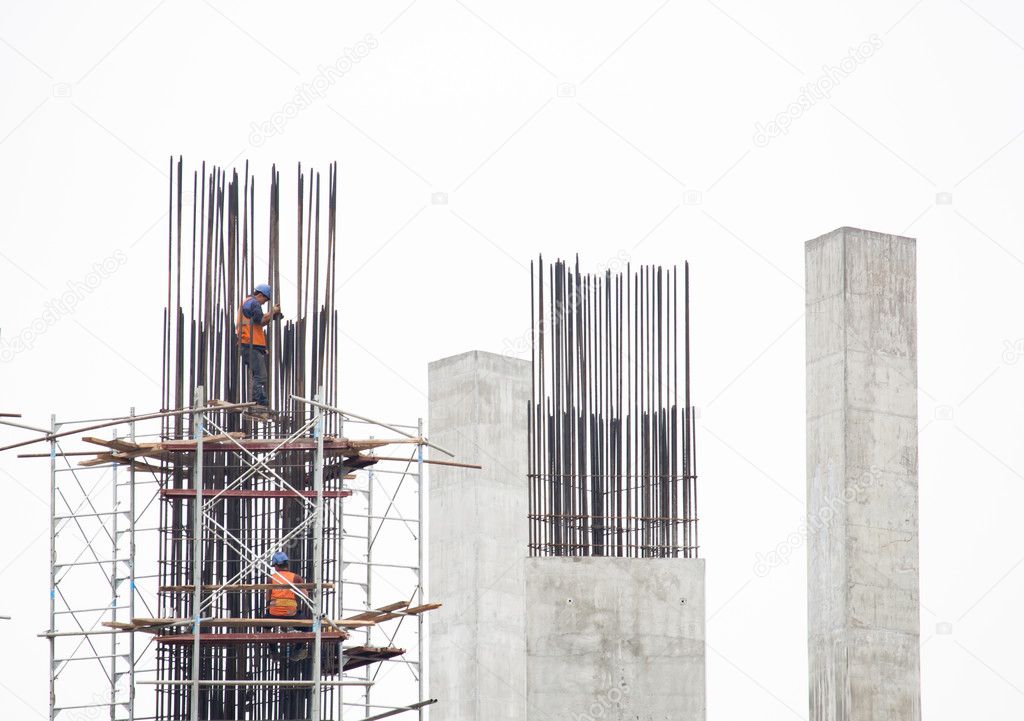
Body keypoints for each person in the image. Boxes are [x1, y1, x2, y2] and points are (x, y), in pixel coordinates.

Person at [237, 284, 280, 410]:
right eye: (265, 301)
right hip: (250, 344)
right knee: (260, 375)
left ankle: (259, 399)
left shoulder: (247, 302)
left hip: (249, 344)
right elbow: (260, 319)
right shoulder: (253, 303)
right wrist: (272, 312)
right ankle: (258, 401)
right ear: (260, 295)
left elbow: (258, 322)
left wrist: (272, 316)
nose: (263, 304)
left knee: (258, 374)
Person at [267, 551, 304, 618]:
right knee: (306, 626)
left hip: (274, 613)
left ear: (276, 565)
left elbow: (267, 597)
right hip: (291, 613)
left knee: (265, 623)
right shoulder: (296, 577)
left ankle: (266, 627)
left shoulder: (271, 578)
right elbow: (305, 595)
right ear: (287, 565)